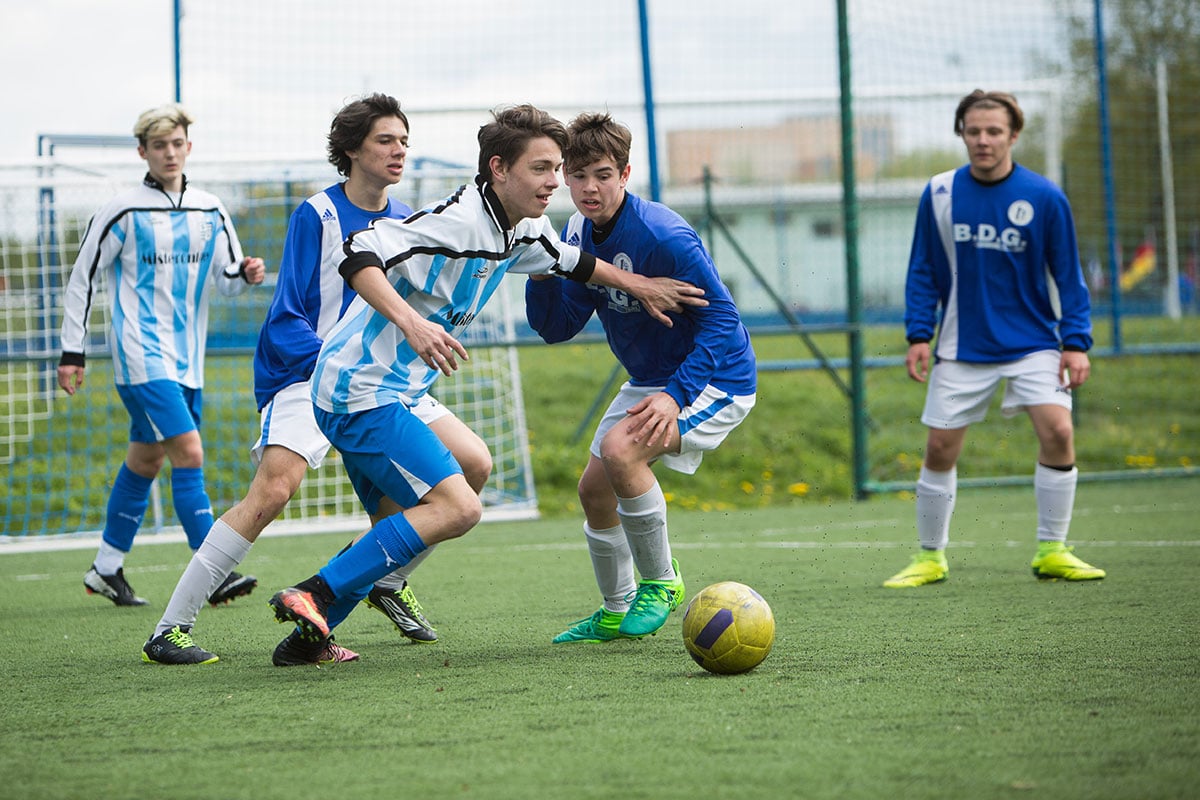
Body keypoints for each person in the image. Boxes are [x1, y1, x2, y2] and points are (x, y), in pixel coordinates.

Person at [265, 104, 709, 652]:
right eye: (542, 169)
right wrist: (413, 323)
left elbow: (572, 263)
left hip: (400, 389)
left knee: (474, 465)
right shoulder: (458, 222)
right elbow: (357, 253)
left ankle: (310, 637)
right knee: (459, 508)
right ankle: (316, 590)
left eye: (557, 169)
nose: (555, 183)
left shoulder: (522, 224)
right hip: (358, 389)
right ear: (499, 169)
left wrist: (641, 286)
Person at [142, 94, 481, 666]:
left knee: (471, 467)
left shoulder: (405, 223)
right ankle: (169, 629)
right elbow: (287, 313)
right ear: (350, 150)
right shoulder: (316, 216)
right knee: (273, 489)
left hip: (380, 385)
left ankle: (382, 581)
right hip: (307, 376)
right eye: (385, 140)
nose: (399, 151)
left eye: (404, 141)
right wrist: (336, 359)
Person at [525, 113, 757, 642]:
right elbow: (557, 328)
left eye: (602, 174)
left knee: (621, 450)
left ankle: (663, 581)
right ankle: (615, 608)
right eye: (577, 174)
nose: (589, 188)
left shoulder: (663, 235)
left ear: (625, 174)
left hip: (714, 379)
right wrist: (539, 273)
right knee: (593, 490)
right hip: (654, 378)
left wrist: (676, 396)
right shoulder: (575, 230)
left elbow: (724, 319)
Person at [883, 89, 1105, 589]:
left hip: (1034, 343)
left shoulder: (1046, 197)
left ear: (1013, 135)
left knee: (1059, 433)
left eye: (994, 131)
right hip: (962, 345)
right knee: (940, 448)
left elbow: (1068, 276)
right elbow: (922, 269)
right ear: (961, 132)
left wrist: (1076, 342)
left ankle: (1053, 549)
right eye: (974, 131)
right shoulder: (939, 192)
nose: (983, 140)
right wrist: (919, 333)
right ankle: (930, 558)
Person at [58, 104, 265, 609]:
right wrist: (72, 351)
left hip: (188, 358)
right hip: (138, 355)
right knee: (189, 452)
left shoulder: (211, 209)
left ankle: (105, 569)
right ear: (143, 152)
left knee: (147, 458)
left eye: (177, 144)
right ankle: (212, 570)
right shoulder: (121, 210)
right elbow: (81, 276)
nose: (169, 153)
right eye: (158, 146)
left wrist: (247, 275)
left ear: (188, 147)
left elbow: (228, 280)